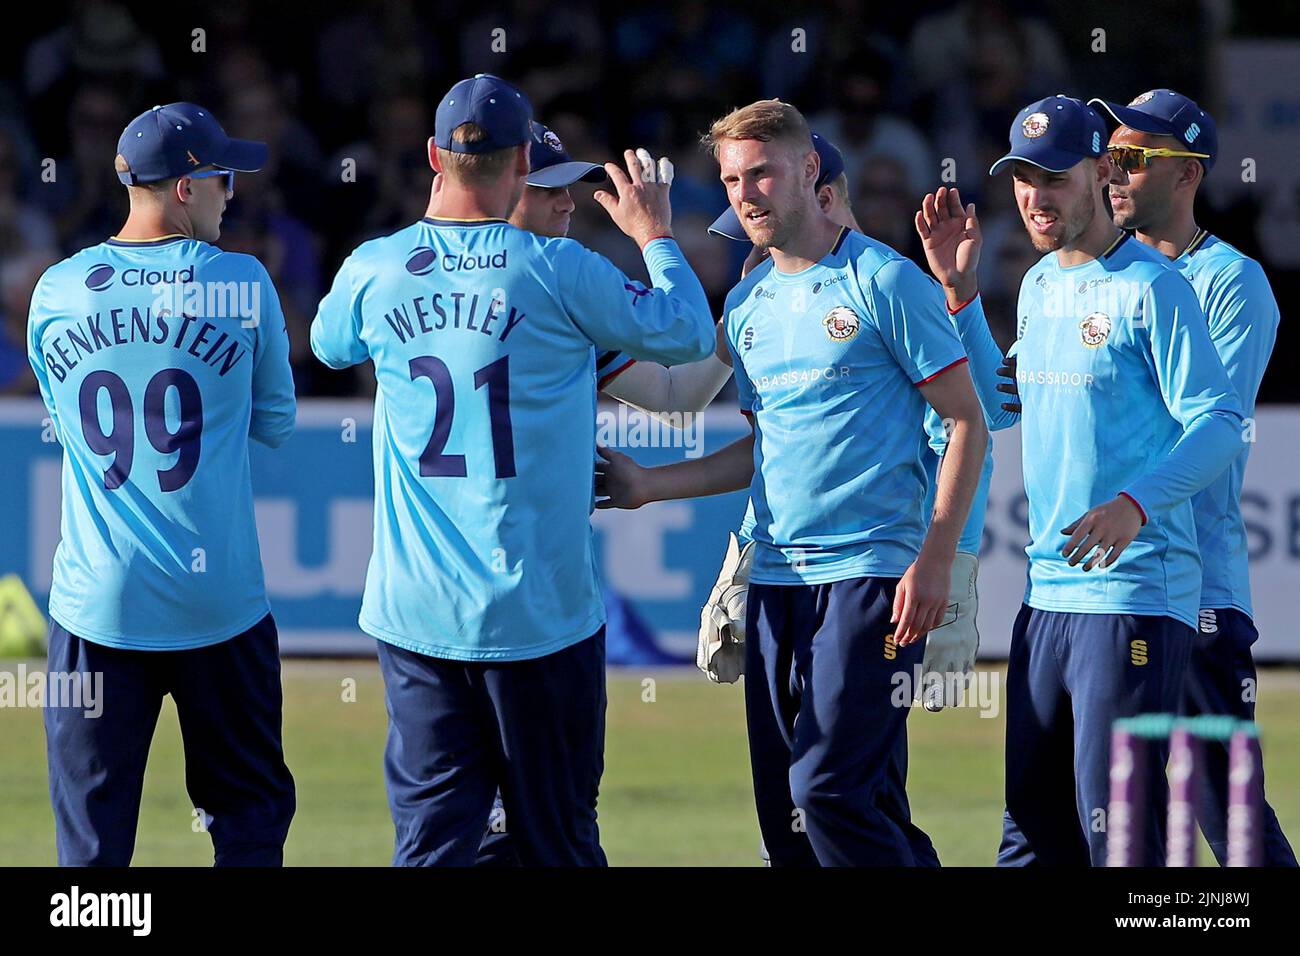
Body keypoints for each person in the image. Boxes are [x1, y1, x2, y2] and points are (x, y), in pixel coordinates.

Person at [309, 74, 716, 866]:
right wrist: (657, 234)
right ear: (524, 164)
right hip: (539, 615)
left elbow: (329, 347)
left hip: (417, 615)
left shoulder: (375, 266)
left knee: (434, 842)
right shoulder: (559, 273)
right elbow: (688, 339)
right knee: (557, 839)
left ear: (433, 156)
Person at [597, 99, 989, 866]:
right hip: (776, 581)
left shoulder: (885, 280)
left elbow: (968, 423)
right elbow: (765, 446)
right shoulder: (746, 304)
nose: (746, 192)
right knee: (793, 818)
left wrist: (941, 557)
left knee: (828, 791)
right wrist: (650, 485)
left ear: (810, 172)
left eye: (763, 172)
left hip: (874, 577)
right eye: (733, 178)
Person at [29, 102, 297, 865]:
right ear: (185, 188)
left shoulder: (58, 290)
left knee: (91, 844)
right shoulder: (242, 283)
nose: (231, 193)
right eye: (222, 179)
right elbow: (273, 422)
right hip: (221, 604)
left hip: (99, 605)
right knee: (246, 824)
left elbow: (65, 417)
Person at [985, 95, 1245, 866]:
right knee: (1029, 832)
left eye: (1054, 178)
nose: (1035, 196)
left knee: (1119, 835)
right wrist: (960, 294)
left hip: (1133, 599)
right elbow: (1008, 400)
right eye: (1022, 178)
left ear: (1102, 173)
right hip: (1046, 598)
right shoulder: (1036, 286)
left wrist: (1137, 503)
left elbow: (1221, 424)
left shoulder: (1154, 287)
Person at [1089, 89, 1295, 867]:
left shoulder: (1233, 284)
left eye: (1134, 159)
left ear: (1189, 173)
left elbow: (1210, 428)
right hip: (1113, 581)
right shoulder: (1100, 275)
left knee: (1224, 808)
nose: (1113, 174)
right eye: (1108, 158)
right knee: (1111, 799)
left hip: (1198, 579)